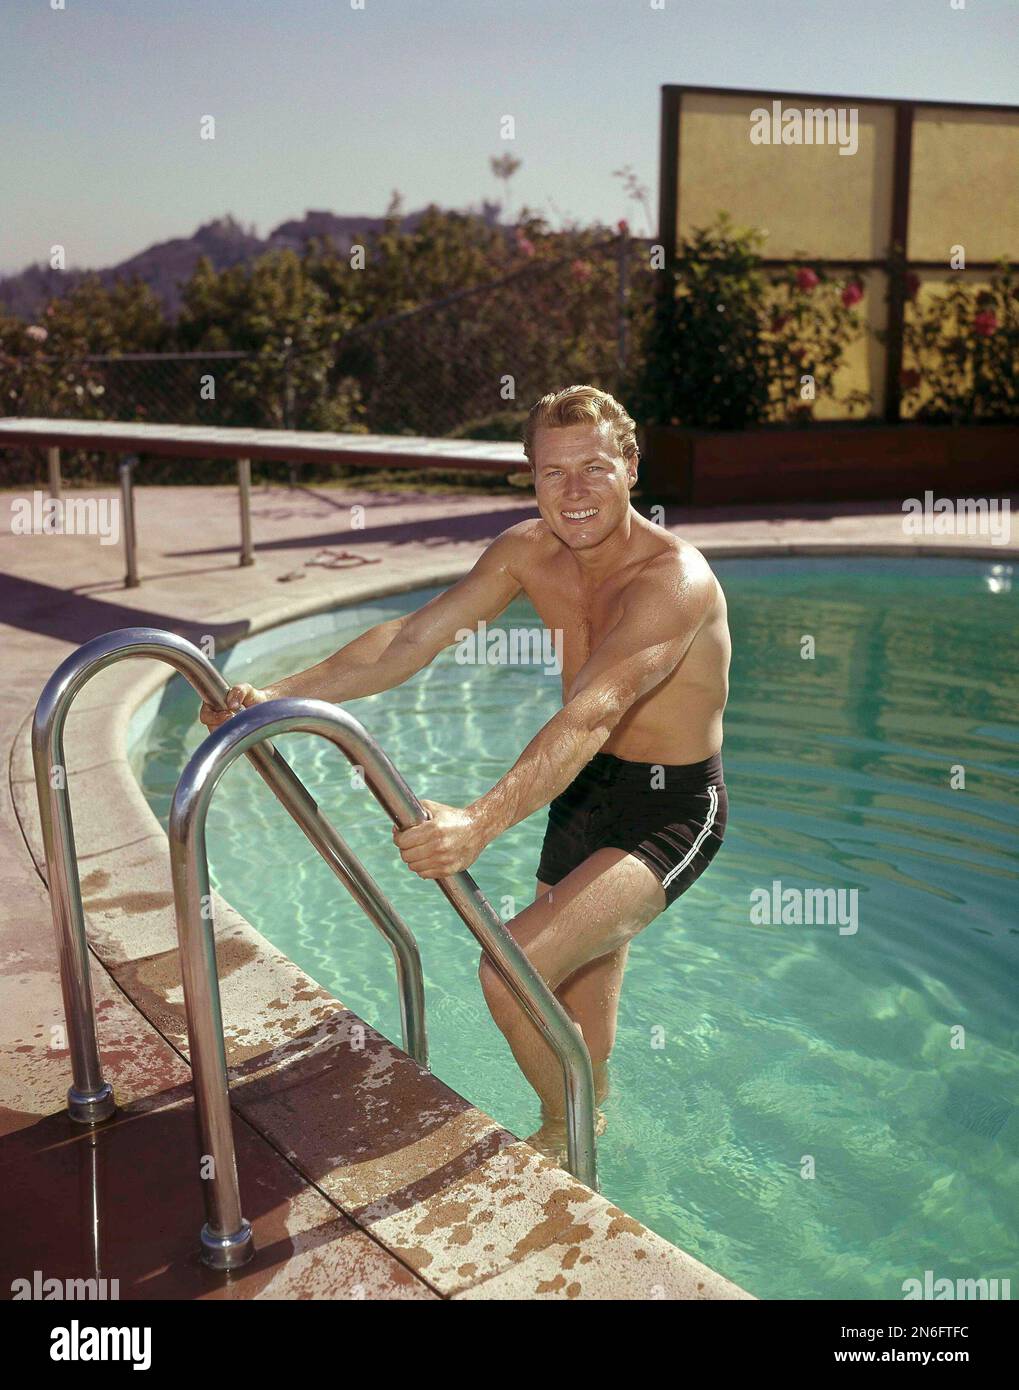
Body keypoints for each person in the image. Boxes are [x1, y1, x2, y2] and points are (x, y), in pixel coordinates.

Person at [199, 385, 731, 1163]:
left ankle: (562, 1134)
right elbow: (411, 640)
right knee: (573, 1012)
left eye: (593, 468)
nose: (574, 491)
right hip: (582, 788)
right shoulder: (527, 551)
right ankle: (593, 1130)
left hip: (669, 808)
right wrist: (274, 697)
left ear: (630, 466)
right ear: (529, 478)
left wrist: (479, 822)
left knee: (513, 969)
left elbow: (593, 711)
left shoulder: (672, 580)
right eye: (553, 472)